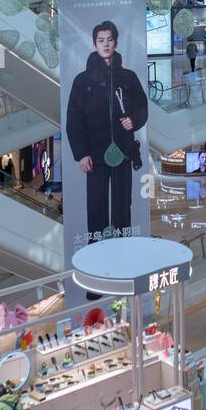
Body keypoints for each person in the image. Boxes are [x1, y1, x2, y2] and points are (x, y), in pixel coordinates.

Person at [66, 20, 149, 243]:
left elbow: (142, 106)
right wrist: (81, 153)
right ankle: (96, 252)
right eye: (101, 40)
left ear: (116, 43)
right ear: (94, 45)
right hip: (94, 154)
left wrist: (135, 120)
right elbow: (74, 120)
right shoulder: (82, 81)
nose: (105, 44)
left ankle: (124, 248)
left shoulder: (128, 77)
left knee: (123, 204)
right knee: (96, 205)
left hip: (123, 151)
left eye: (109, 40)